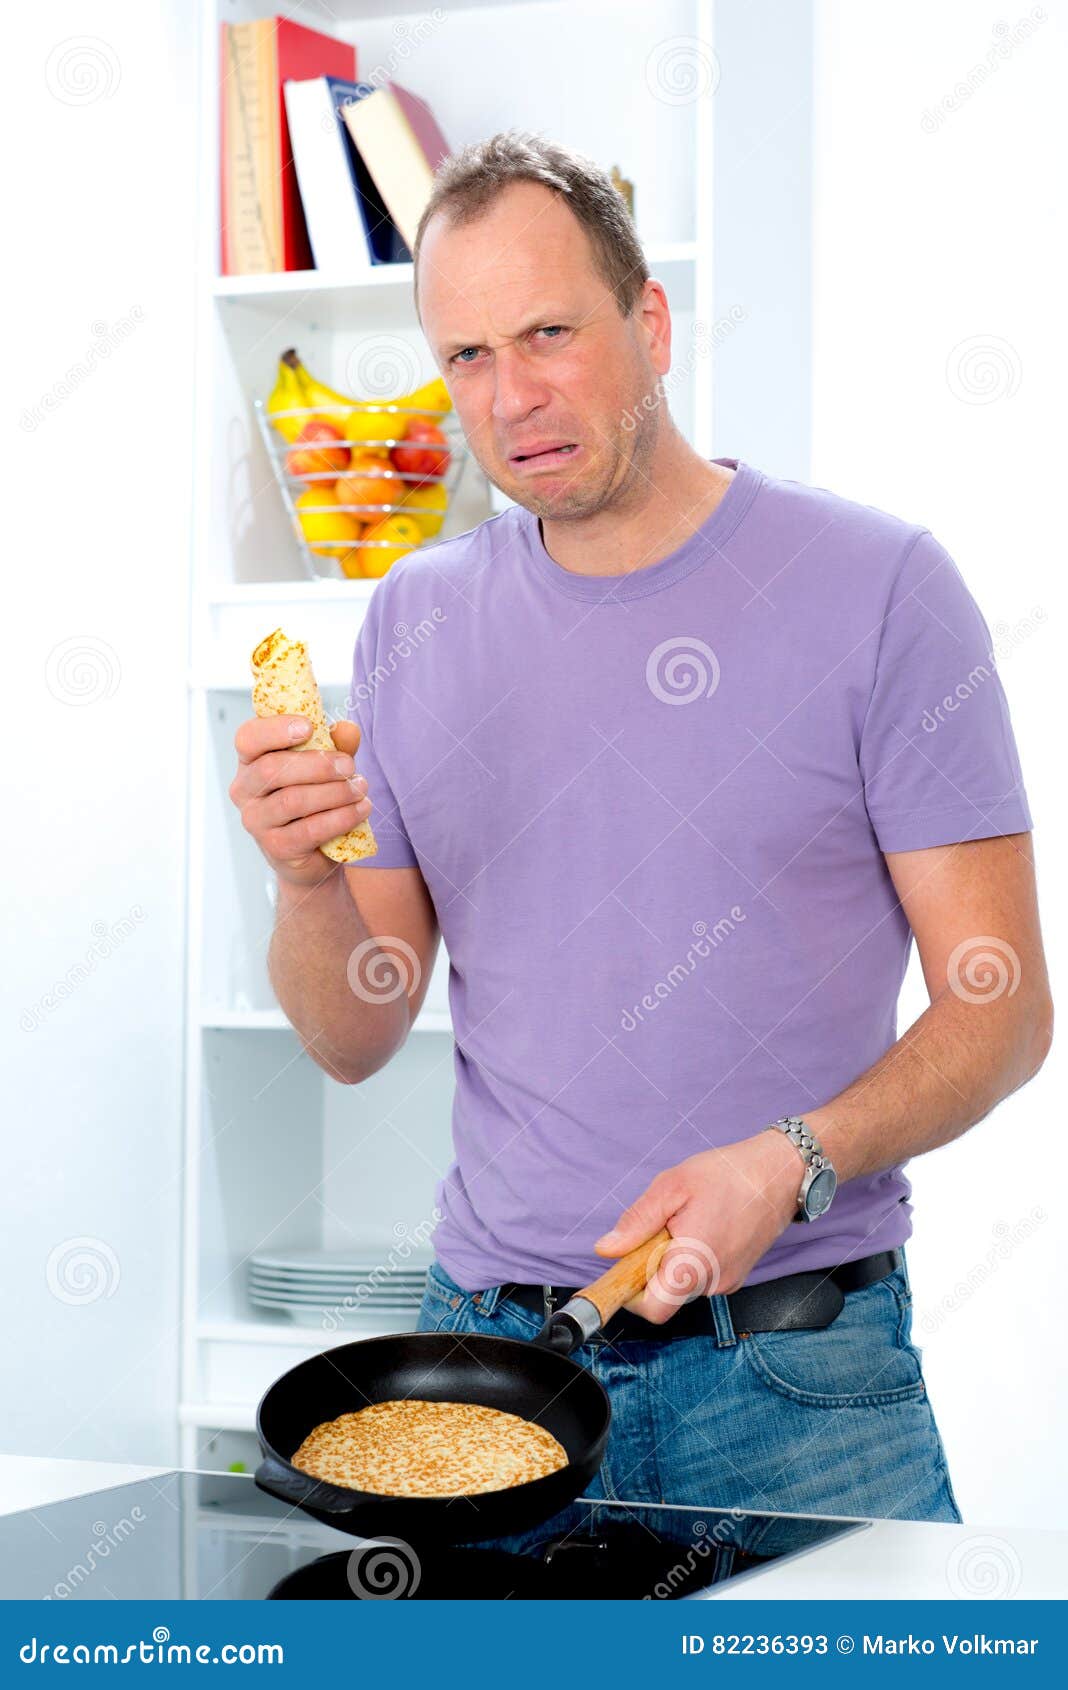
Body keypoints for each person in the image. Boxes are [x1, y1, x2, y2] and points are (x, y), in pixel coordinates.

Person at [228, 133, 1051, 1565]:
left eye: (549, 332)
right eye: (469, 354)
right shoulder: (413, 620)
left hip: (798, 1375)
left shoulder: (879, 588)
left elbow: (1004, 1003)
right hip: (487, 1368)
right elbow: (351, 1032)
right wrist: (303, 876)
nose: (513, 396)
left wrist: (794, 1157)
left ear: (649, 324)